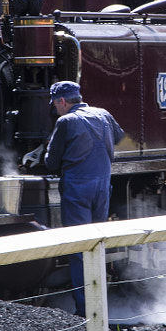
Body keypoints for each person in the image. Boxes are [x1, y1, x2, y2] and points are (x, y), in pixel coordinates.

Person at [44, 80, 125, 317]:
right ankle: (100, 304)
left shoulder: (66, 121)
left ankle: (86, 310)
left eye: (55, 104)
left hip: (77, 189)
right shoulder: (104, 114)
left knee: (80, 249)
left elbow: (51, 162)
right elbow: (118, 137)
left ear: (61, 101)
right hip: (102, 188)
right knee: (97, 245)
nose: (55, 109)